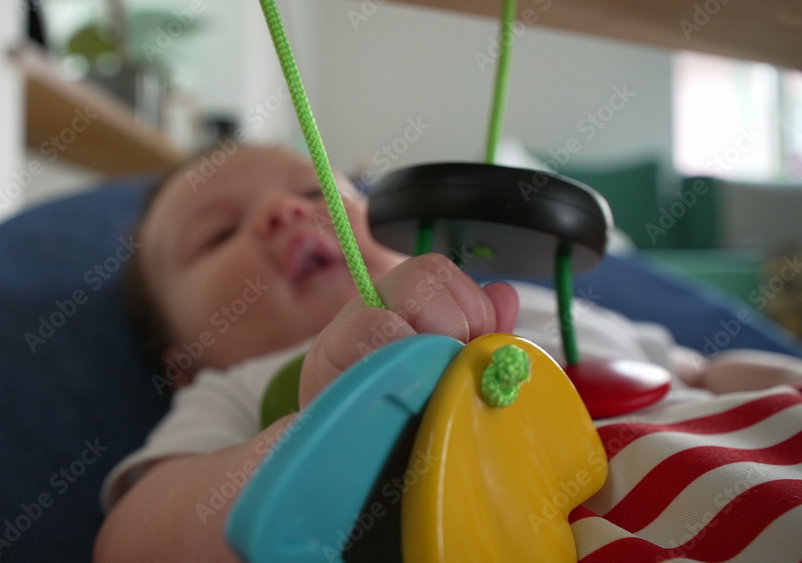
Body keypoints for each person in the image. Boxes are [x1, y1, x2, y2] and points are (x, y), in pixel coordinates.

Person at [93, 145, 802, 562]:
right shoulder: (234, 388)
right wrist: (325, 428)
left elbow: (706, 371)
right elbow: (130, 542)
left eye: (316, 190)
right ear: (184, 357)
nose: (283, 212)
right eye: (218, 234)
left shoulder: (546, 301)